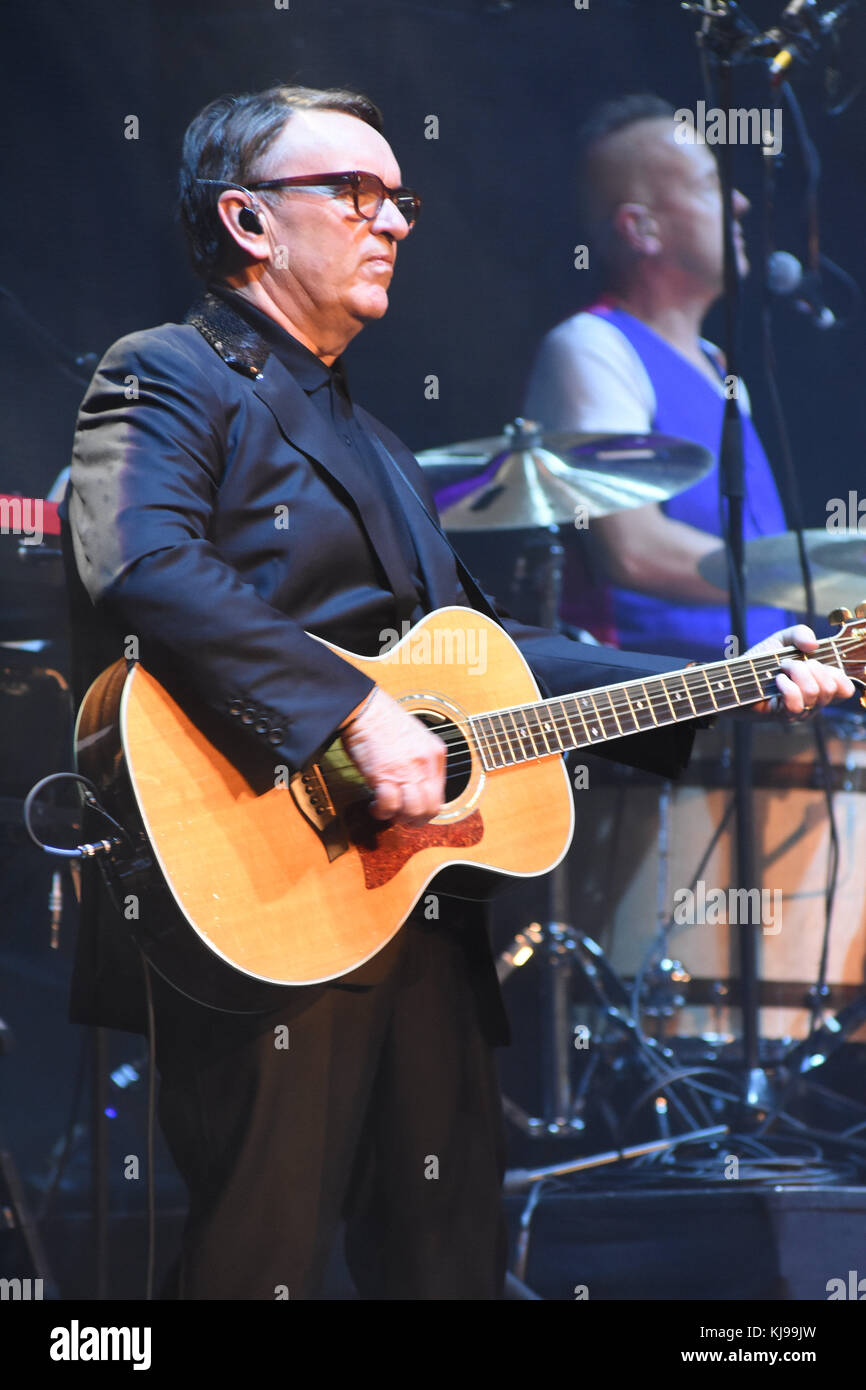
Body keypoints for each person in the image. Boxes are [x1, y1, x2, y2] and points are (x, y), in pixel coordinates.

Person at [63, 84, 851, 1301]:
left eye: (401, 198)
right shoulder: (167, 372)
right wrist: (348, 710)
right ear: (248, 220)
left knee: (447, 1263)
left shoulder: (371, 440)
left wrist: (730, 678)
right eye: (354, 191)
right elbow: (140, 561)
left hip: (414, 895)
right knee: (256, 1261)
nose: (392, 221)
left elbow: (494, 653)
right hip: (265, 876)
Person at [524, 94, 789, 661]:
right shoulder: (594, 346)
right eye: (709, 185)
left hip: (757, 701)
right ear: (641, 228)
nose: (738, 203)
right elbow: (634, 550)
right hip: (659, 713)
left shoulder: (719, 365)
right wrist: (801, 573)